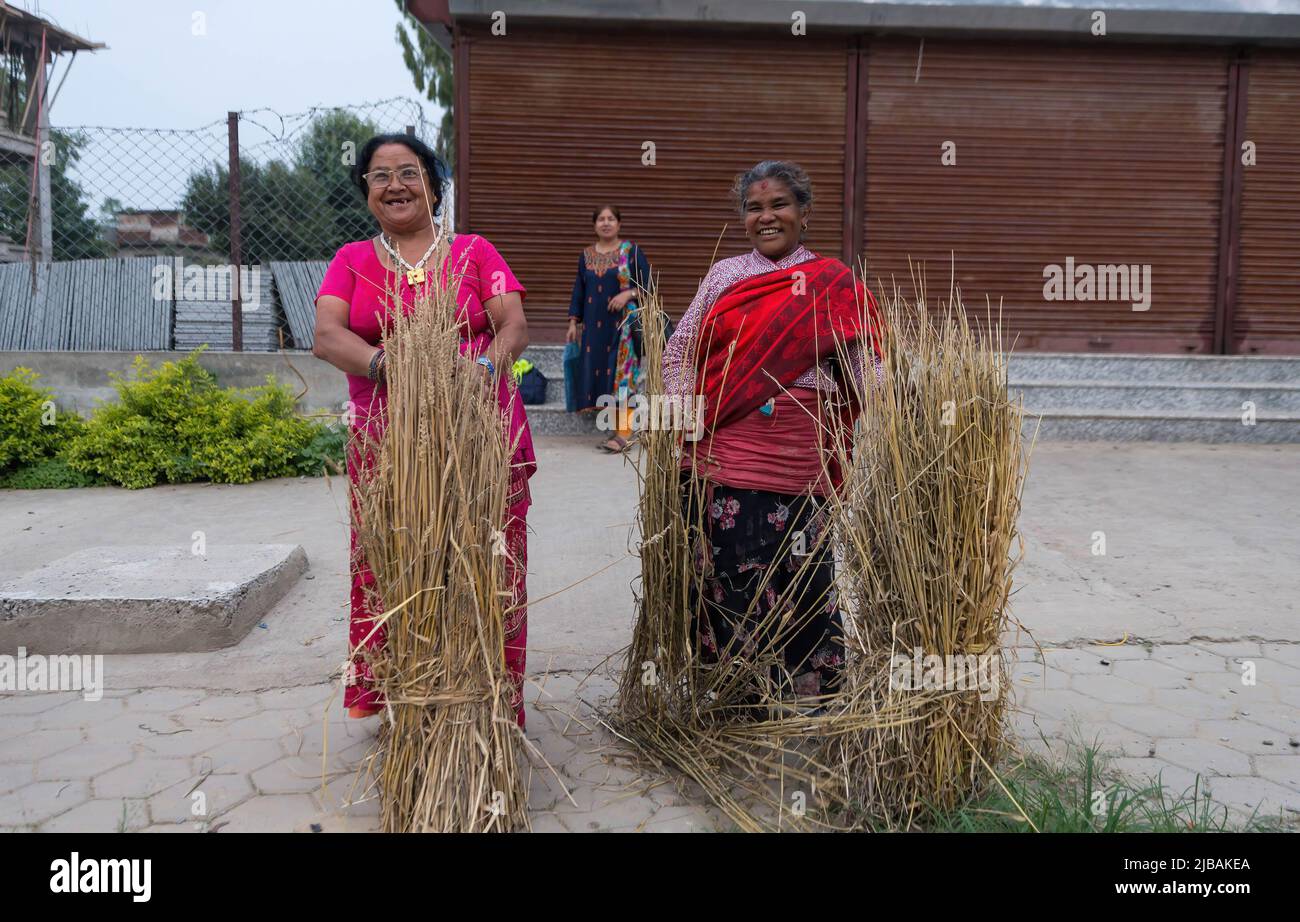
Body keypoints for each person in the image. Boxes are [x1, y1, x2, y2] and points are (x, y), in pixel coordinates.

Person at [312, 133, 534, 726]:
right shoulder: (351, 261)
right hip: (388, 435)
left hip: (477, 426)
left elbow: (511, 323)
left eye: (408, 173)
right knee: (394, 557)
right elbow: (328, 336)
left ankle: (485, 695)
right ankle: (407, 700)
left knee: (485, 557)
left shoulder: (474, 252)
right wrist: (392, 367)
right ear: (367, 193)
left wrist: (484, 368)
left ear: (433, 186)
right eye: (379, 176)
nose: (394, 186)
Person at [662, 159, 881, 704]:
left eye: (779, 204)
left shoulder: (834, 283)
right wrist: (683, 421)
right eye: (754, 208)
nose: (767, 217)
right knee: (730, 568)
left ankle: (808, 693)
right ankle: (741, 695)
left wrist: (904, 400)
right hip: (726, 446)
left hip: (801, 450)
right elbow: (679, 353)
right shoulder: (725, 276)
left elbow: (861, 364)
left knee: (805, 568)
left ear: (804, 213)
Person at [566, 205, 652, 453]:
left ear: (619, 223)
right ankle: (617, 428)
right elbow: (579, 291)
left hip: (623, 328)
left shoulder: (631, 252)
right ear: (594, 225)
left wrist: (629, 293)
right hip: (594, 330)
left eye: (611, 219)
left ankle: (624, 434)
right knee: (604, 378)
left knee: (623, 377)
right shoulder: (586, 256)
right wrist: (573, 322)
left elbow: (649, 286)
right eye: (601, 219)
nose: (606, 223)